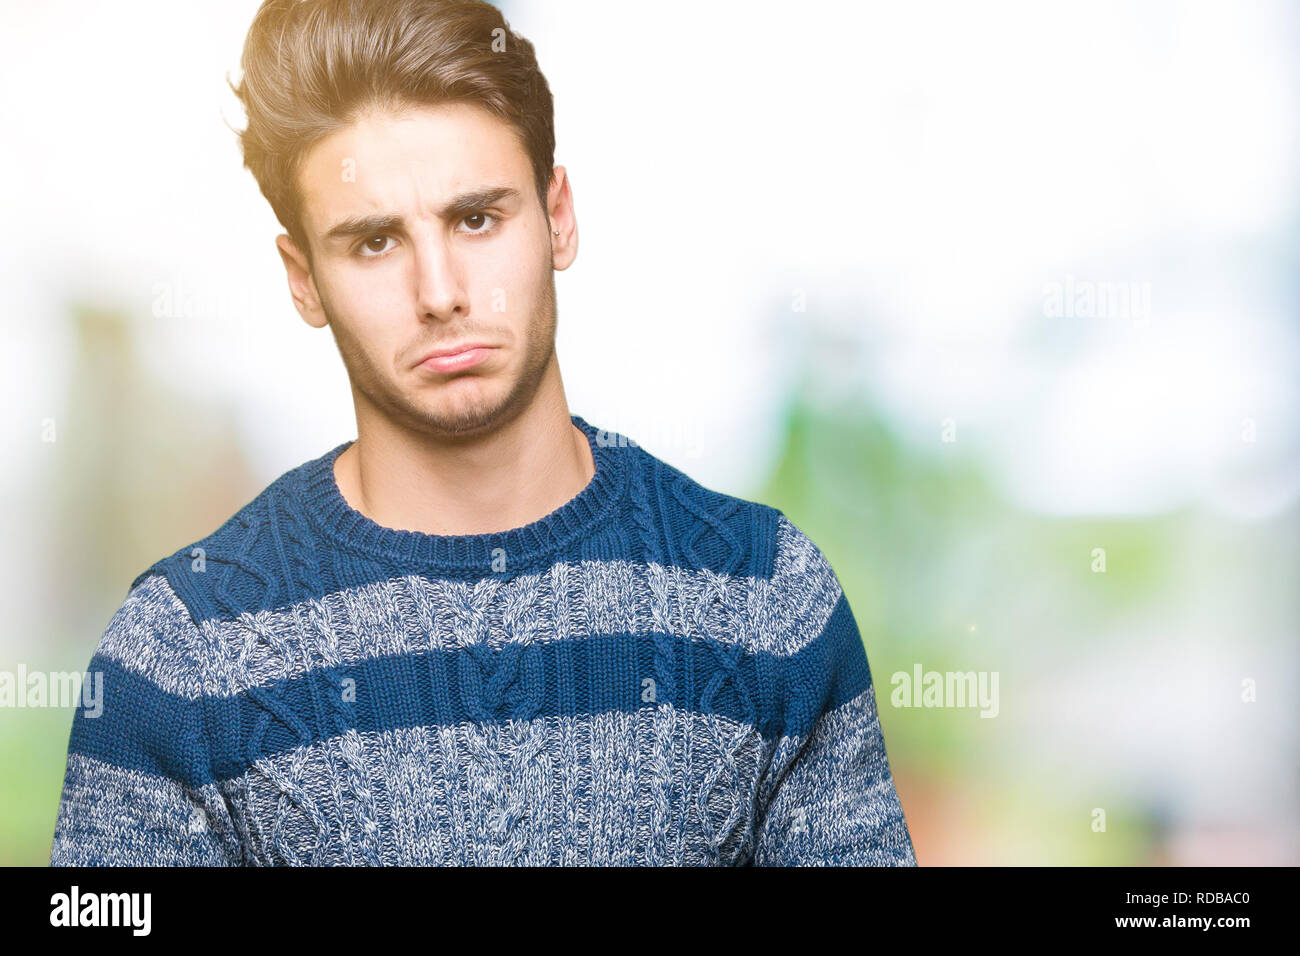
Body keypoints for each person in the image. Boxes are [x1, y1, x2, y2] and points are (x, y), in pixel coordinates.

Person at [49, 0, 916, 866]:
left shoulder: (764, 599)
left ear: (558, 215)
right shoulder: (183, 654)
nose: (441, 291)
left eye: (476, 219)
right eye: (376, 241)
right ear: (303, 279)